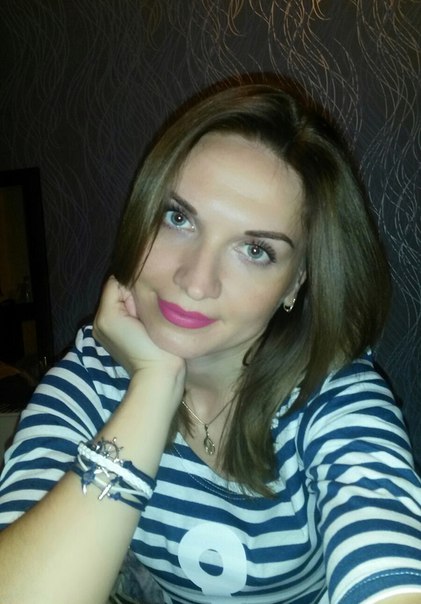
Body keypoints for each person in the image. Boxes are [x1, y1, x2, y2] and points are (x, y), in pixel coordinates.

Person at [0, 82, 420, 604]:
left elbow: (387, 556)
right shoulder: (92, 375)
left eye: (255, 250)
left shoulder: (332, 398)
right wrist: (154, 384)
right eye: (178, 218)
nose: (196, 282)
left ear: (296, 282)